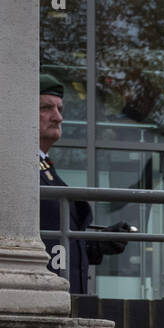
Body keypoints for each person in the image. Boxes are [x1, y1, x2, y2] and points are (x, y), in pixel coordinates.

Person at [39, 72, 131, 294]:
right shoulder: (15, 168)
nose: (58, 117)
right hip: (40, 298)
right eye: (46, 108)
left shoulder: (44, 167)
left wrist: (97, 243)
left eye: (60, 109)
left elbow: (57, 239)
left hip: (60, 295)